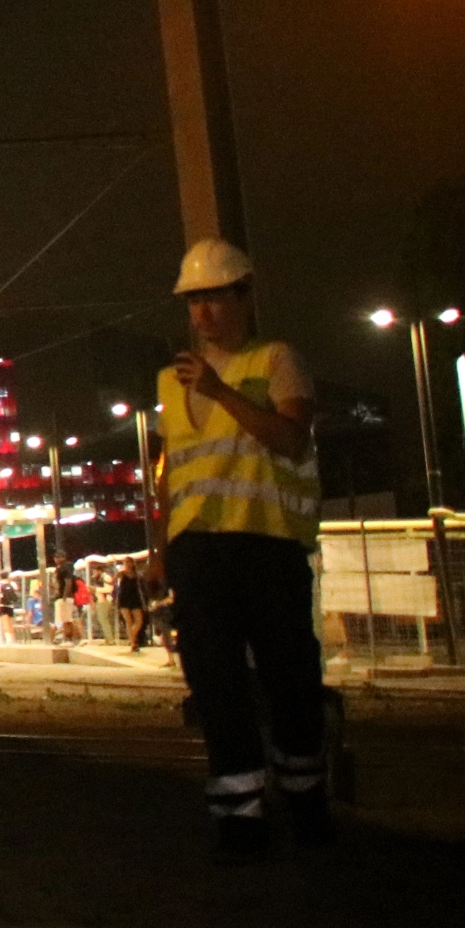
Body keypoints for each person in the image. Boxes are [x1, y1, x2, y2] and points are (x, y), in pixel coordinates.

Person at [155, 237, 327, 855]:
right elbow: (174, 470)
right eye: (193, 300)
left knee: (289, 678)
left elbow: (290, 438)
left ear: (245, 296)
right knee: (216, 685)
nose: (203, 313)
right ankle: (239, 816)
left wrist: (222, 392)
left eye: (216, 298)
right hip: (199, 551)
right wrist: (162, 549)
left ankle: (306, 800)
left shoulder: (277, 360)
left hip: (267, 544)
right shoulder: (171, 381)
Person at [115, 561, 150, 649]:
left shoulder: (137, 575)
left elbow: (141, 587)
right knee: (129, 621)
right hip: (124, 598)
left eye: (129, 563)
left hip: (135, 598)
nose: (128, 565)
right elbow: (113, 581)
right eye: (126, 563)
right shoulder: (122, 574)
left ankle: (132, 638)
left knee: (139, 621)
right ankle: (133, 643)